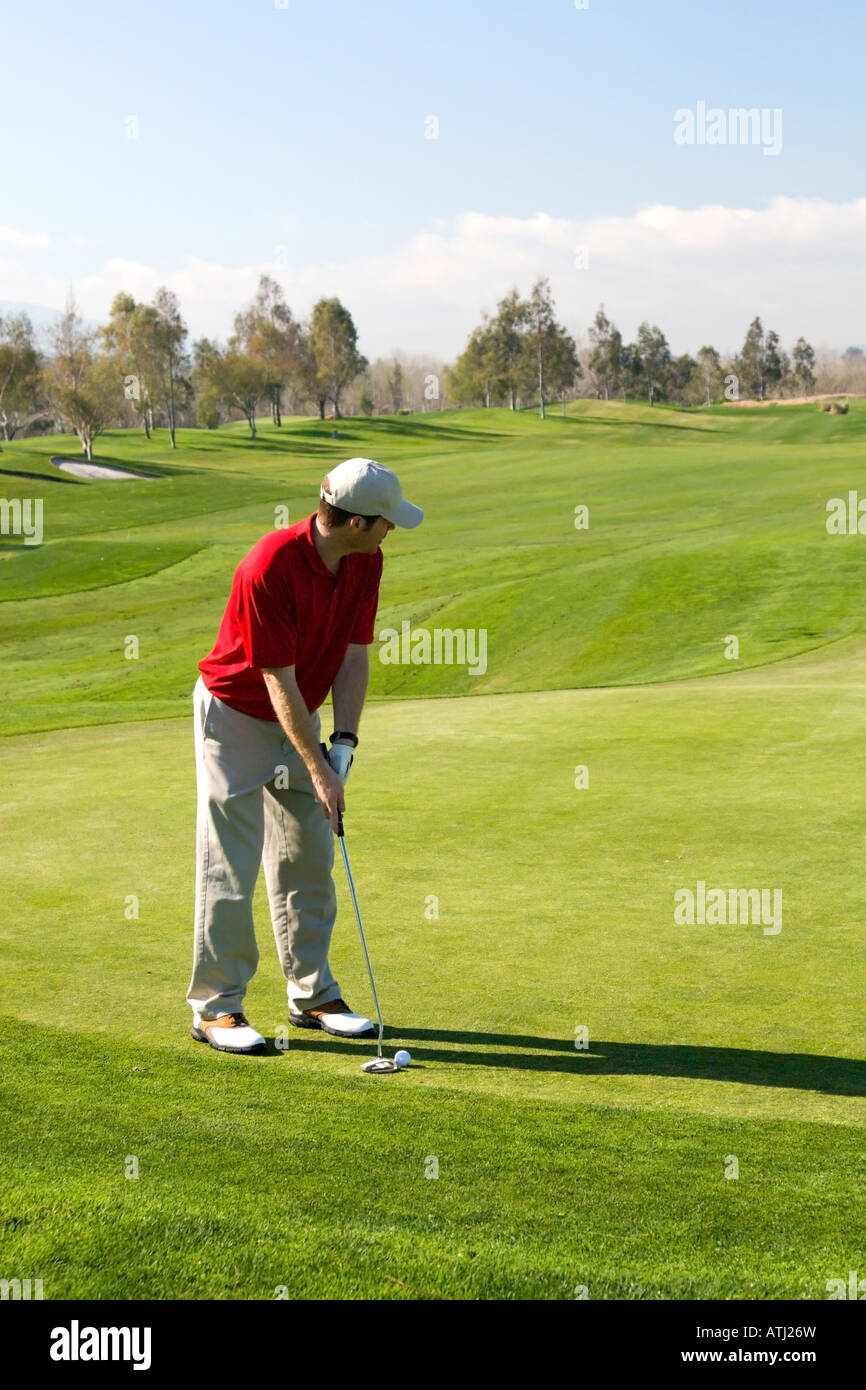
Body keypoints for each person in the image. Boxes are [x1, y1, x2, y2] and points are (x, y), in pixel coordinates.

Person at [187, 457, 423, 1054]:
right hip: (237, 713)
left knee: (309, 854)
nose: (391, 530)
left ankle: (313, 994)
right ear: (352, 522)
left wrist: (344, 743)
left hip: (297, 709)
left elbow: (352, 654)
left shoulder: (365, 561)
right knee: (230, 864)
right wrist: (317, 770)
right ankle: (216, 1008)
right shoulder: (268, 566)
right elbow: (275, 680)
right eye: (384, 522)